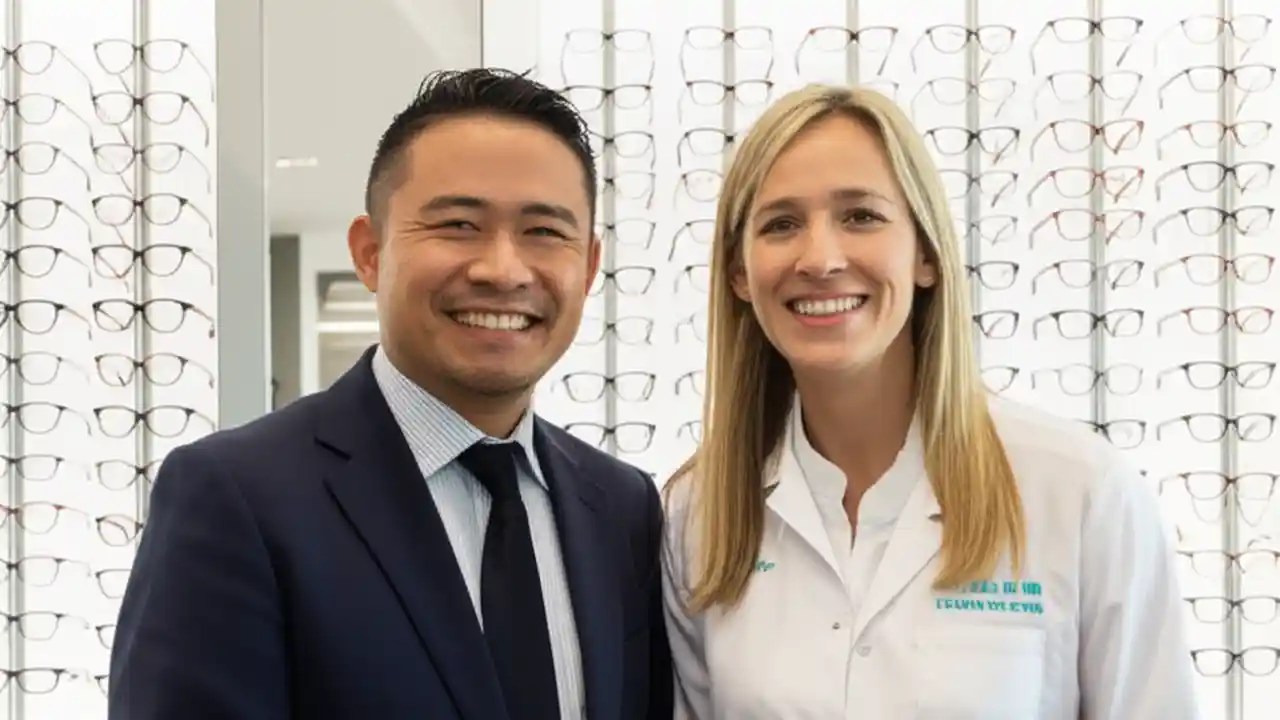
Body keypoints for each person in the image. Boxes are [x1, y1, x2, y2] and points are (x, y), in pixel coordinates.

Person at [109, 68, 674, 720]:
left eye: (544, 232)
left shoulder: (621, 509)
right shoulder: (238, 498)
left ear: (589, 266)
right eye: (458, 224)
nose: (502, 269)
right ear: (370, 252)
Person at [659, 83, 1199, 719]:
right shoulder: (700, 514)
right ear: (740, 275)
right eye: (781, 224)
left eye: (860, 216)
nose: (821, 258)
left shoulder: (1080, 492)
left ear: (927, 254)